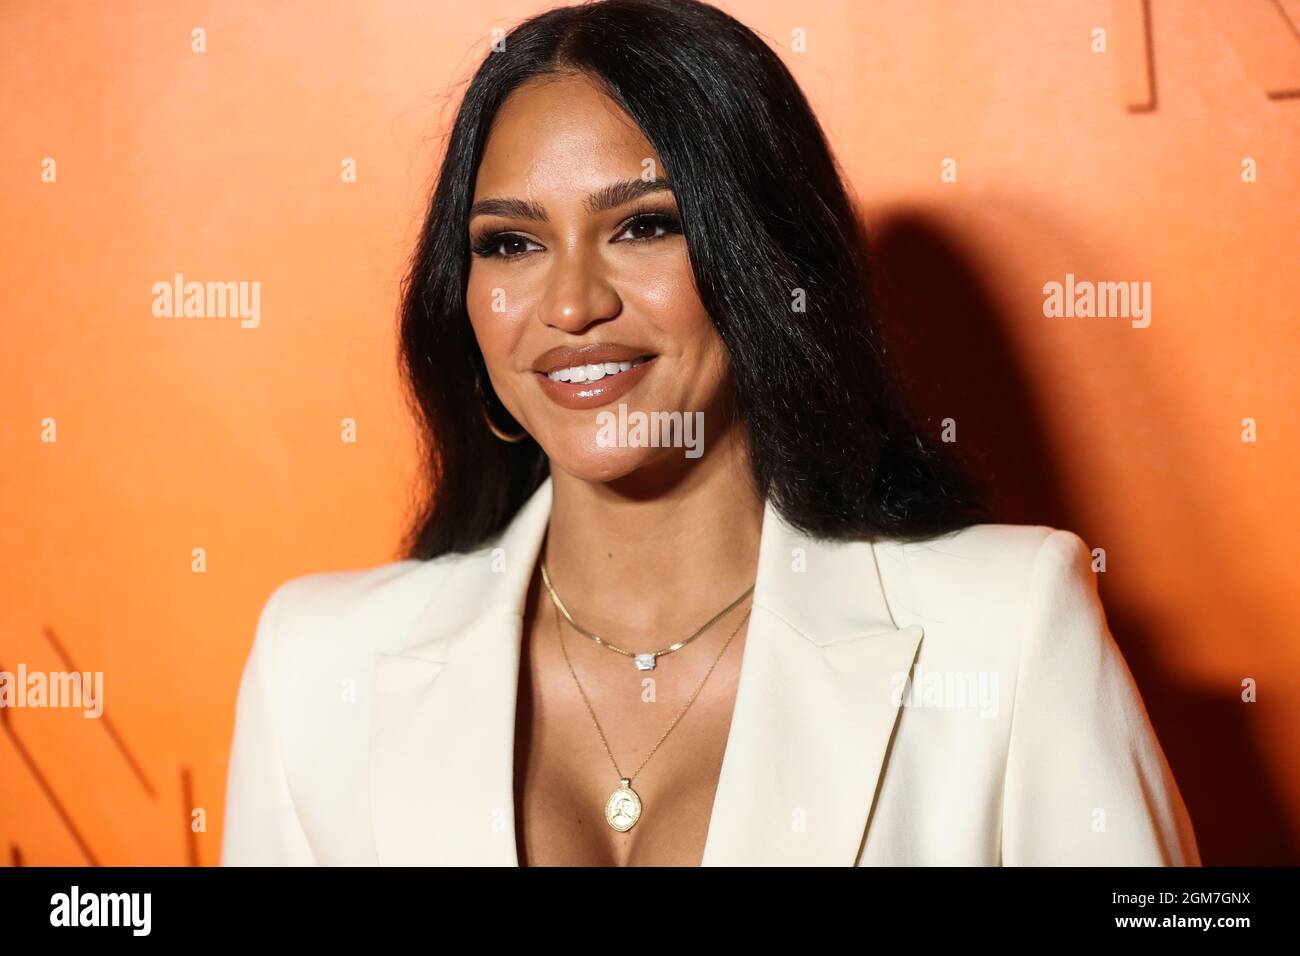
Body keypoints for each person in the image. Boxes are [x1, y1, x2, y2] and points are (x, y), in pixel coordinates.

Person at [220, 0, 1200, 866]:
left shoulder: (1007, 627)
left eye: (643, 225)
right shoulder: (318, 667)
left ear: (762, 258)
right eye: (511, 242)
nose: (569, 304)